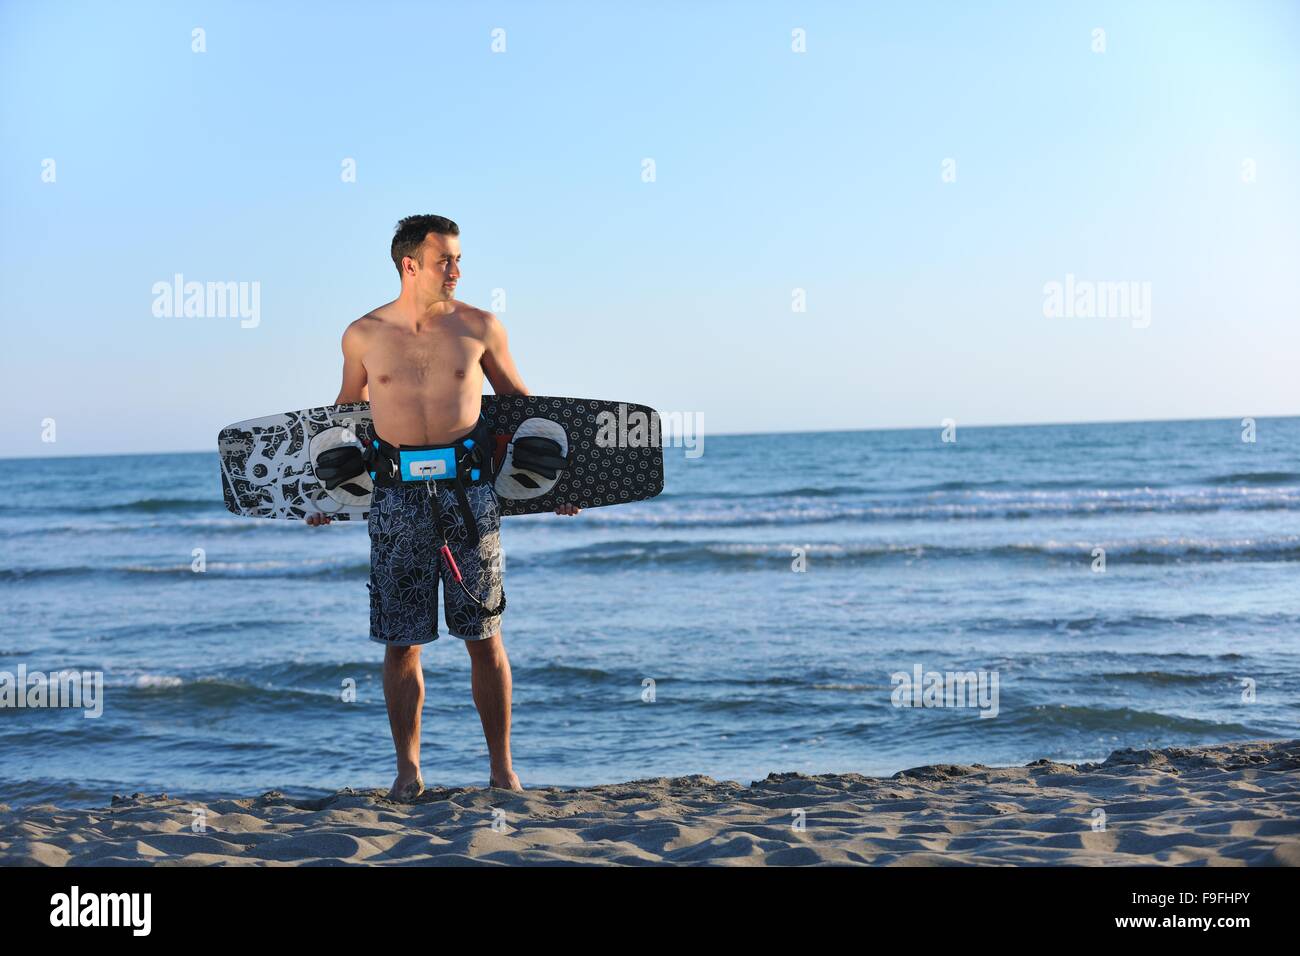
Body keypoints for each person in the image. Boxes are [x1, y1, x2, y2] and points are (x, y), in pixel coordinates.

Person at [307, 214, 579, 800]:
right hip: (396, 499)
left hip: (469, 497)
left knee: (485, 635)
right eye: (444, 261)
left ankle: (502, 769)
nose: (455, 270)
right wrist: (325, 493)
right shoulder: (362, 334)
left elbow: (520, 406)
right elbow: (344, 418)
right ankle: (408, 771)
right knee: (401, 641)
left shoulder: (480, 326)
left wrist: (555, 486)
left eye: (458, 260)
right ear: (410, 265)